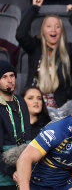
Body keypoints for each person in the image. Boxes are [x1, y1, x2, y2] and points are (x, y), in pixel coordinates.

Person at [15, 0, 72, 108]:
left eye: (57, 26)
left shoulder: (67, 50)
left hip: (57, 107)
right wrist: (34, 8)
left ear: (62, 31)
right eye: (48, 26)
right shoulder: (35, 46)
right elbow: (20, 35)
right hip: (33, 104)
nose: (53, 30)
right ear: (42, 31)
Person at [0, 61, 31, 190]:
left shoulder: (21, 102)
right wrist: (11, 171)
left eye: (12, 76)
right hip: (5, 178)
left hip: (25, 169)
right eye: (4, 77)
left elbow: (27, 135)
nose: (10, 80)